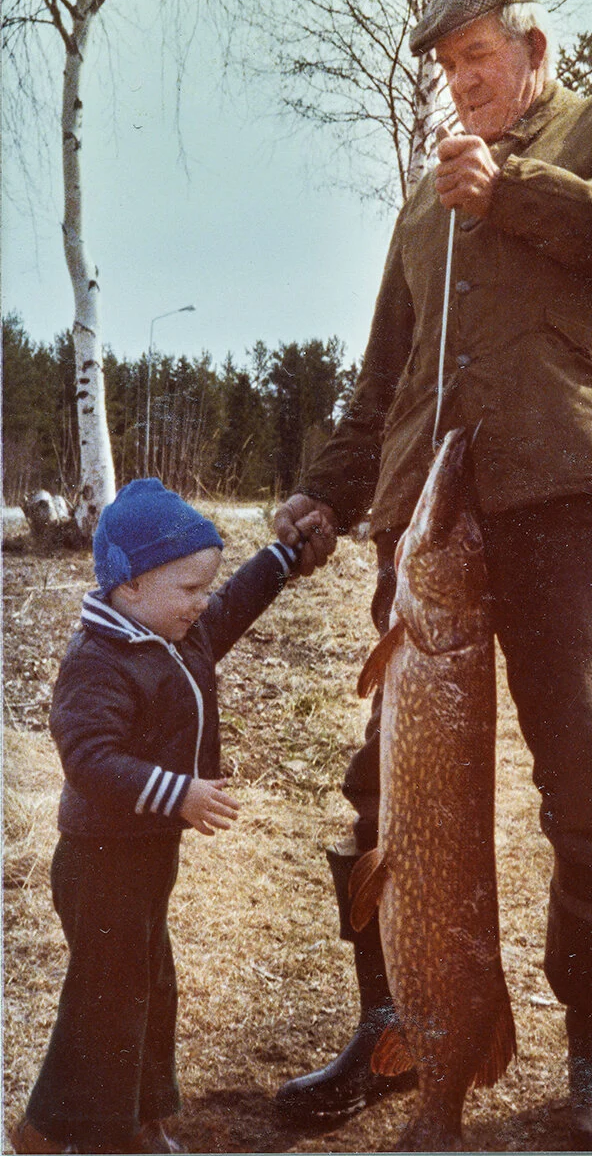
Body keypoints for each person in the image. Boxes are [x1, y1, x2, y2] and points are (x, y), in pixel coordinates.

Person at [273, 0, 592, 1152]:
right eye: (449, 70)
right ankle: (398, 1023)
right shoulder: (423, 211)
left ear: (534, 51)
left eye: (479, 60)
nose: (462, 86)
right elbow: (382, 386)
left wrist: (510, 189)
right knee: (385, 783)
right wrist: (322, 492)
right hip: (433, 527)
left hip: (574, 491)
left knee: (588, 769)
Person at [11, 478, 321, 1156]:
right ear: (128, 587)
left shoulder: (174, 627)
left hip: (146, 858)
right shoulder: (100, 660)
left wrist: (282, 558)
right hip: (100, 861)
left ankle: (119, 1123)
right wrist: (176, 791)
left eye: (203, 585)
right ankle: (91, 1135)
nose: (202, 602)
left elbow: (233, 603)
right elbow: (89, 757)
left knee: (142, 989)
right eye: (188, 589)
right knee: (111, 1003)